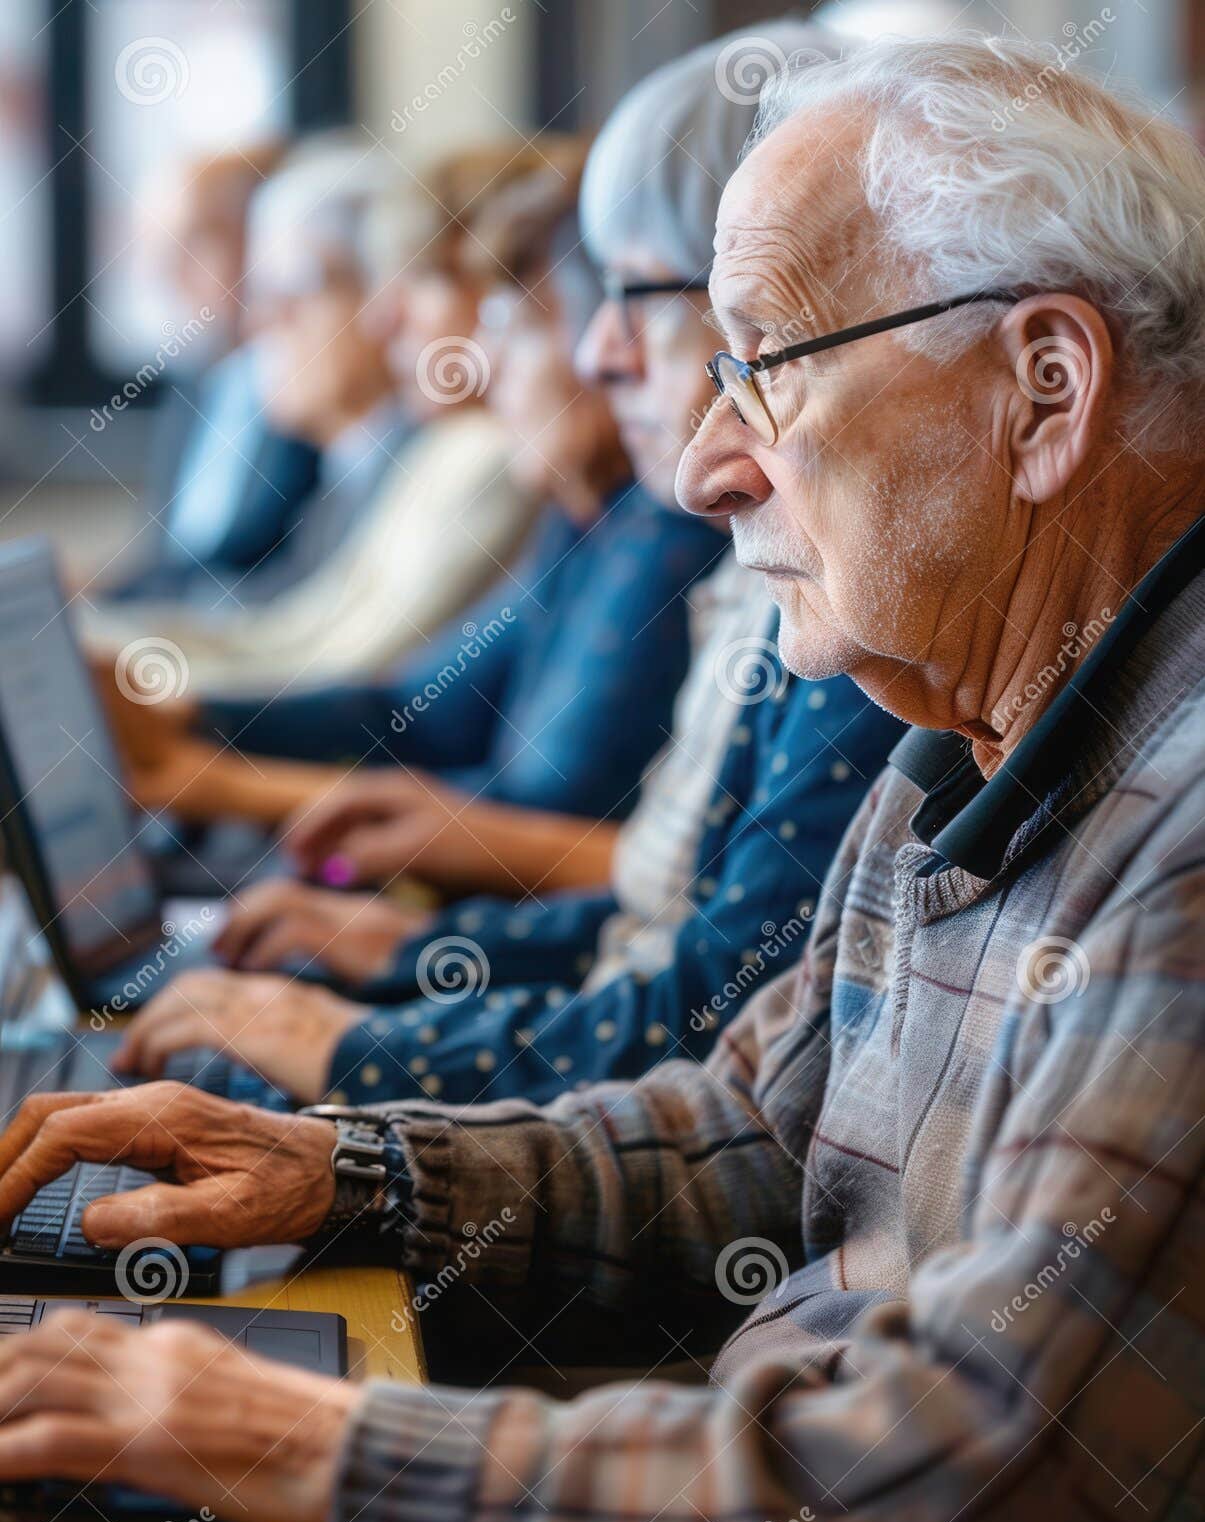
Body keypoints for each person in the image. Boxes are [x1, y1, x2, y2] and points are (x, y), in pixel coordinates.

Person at [3, 32, 1204, 1522]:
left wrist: (310, 1441)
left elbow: (970, 1487)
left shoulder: (1174, 834)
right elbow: (754, 1133)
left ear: (1044, 390)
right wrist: (347, 1163)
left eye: (763, 360)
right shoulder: (961, 741)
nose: (706, 465)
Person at [108, 20, 901, 1113]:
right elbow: (660, 918)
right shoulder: (707, 553)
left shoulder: (792, 577)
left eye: (634, 302)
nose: (592, 353)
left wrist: (366, 1045)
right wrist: (414, 950)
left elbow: (697, 994)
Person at [82, 141, 546, 707]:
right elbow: (297, 632)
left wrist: (139, 684)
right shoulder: (432, 453)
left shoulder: (481, 454)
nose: (387, 319)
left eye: (292, 291)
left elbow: (348, 669)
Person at [104, 143, 322, 604]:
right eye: (162, 249)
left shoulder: (312, 390)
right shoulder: (195, 386)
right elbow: (167, 556)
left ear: (258, 239)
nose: (170, 274)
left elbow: (264, 562)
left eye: (195, 243)